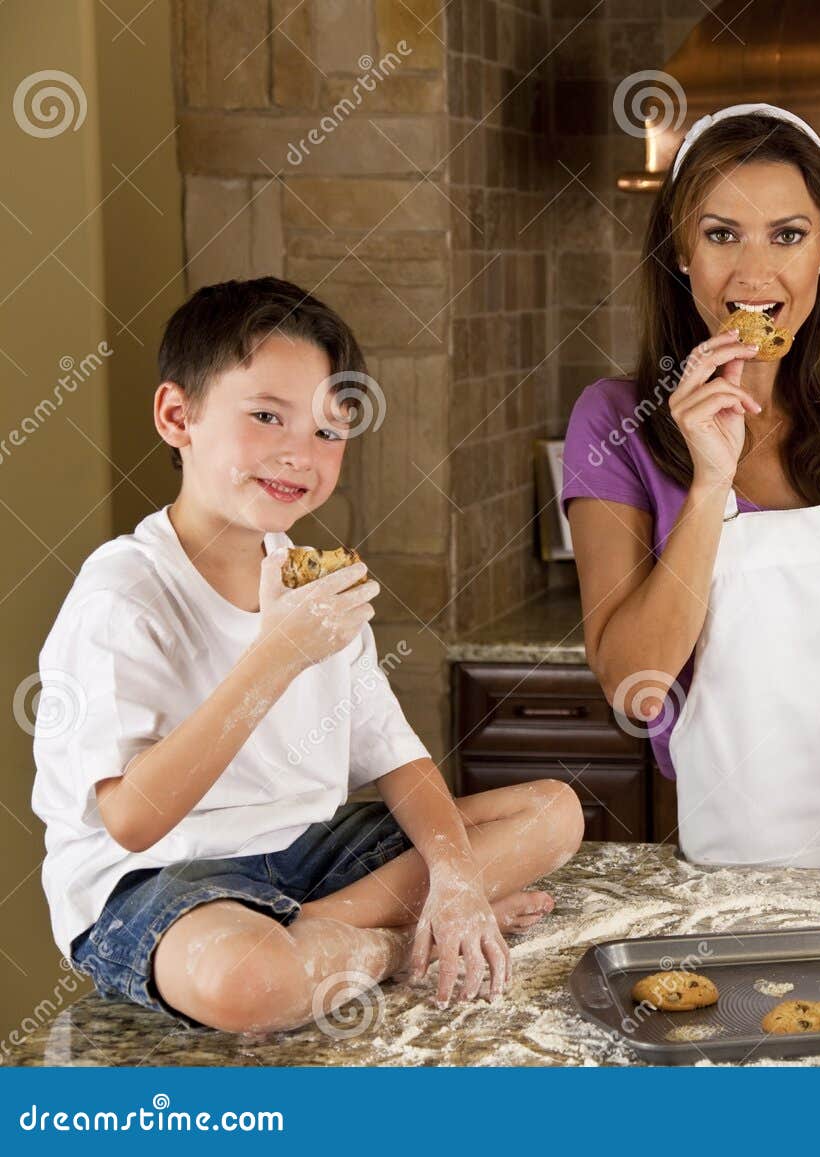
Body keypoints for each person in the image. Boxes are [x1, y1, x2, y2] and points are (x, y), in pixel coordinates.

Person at [32, 278, 585, 1033]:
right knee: (247, 984)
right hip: (159, 878)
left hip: (305, 853)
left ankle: (319, 931)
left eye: (331, 429)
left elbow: (396, 758)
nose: (302, 453)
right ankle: (392, 946)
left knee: (552, 812)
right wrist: (276, 655)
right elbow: (131, 818)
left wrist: (457, 877)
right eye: (266, 416)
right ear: (177, 415)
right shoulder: (123, 591)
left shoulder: (313, 575)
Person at [563, 104, 820, 872]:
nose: (754, 274)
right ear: (680, 251)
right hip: (747, 870)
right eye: (721, 234)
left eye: (787, 235)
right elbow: (635, 685)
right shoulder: (617, 421)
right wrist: (709, 483)